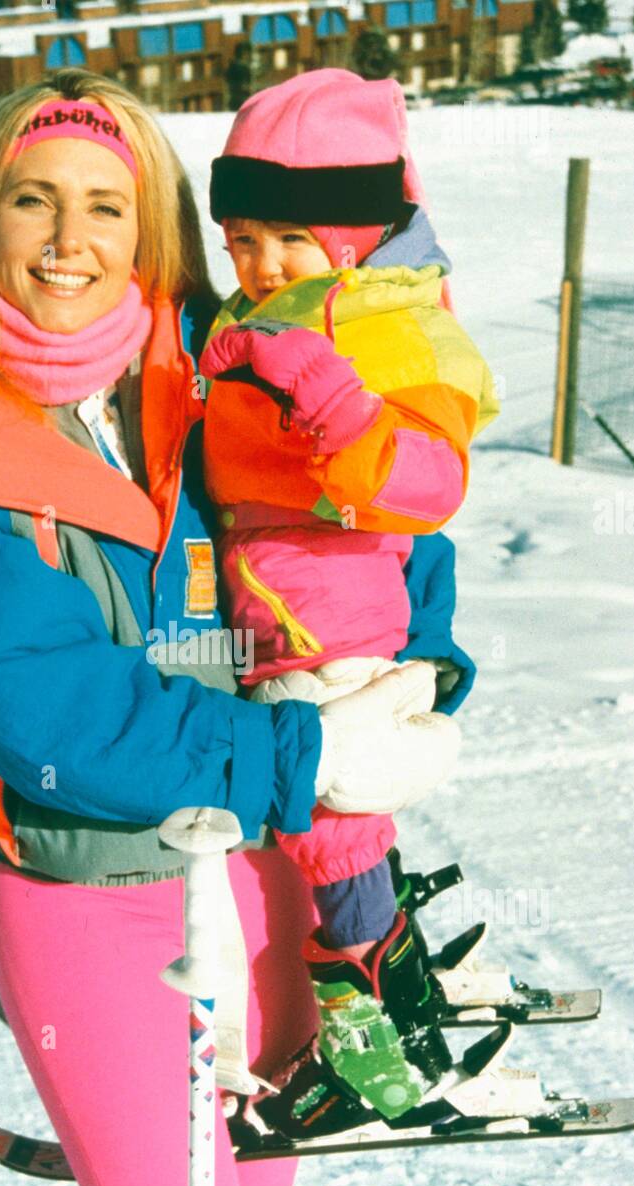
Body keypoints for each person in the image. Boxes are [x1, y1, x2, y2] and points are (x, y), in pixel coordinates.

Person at [0, 70, 456, 1186]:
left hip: (257, 876)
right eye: (34, 201)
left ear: (148, 225)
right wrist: (307, 759)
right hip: (87, 897)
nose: (70, 240)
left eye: (107, 206)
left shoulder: (205, 369)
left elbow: (359, 528)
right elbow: (46, 713)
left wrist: (414, 657)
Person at [199, 70, 501, 1126]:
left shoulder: (384, 318)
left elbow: (433, 481)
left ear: (354, 232)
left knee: (327, 824)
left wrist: (329, 396)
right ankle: (399, 984)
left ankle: (365, 1048)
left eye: (284, 239)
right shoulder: (272, 306)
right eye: (237, 238)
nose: (256, 264)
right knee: (336, 823)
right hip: (272, 602)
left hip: (329, 610)